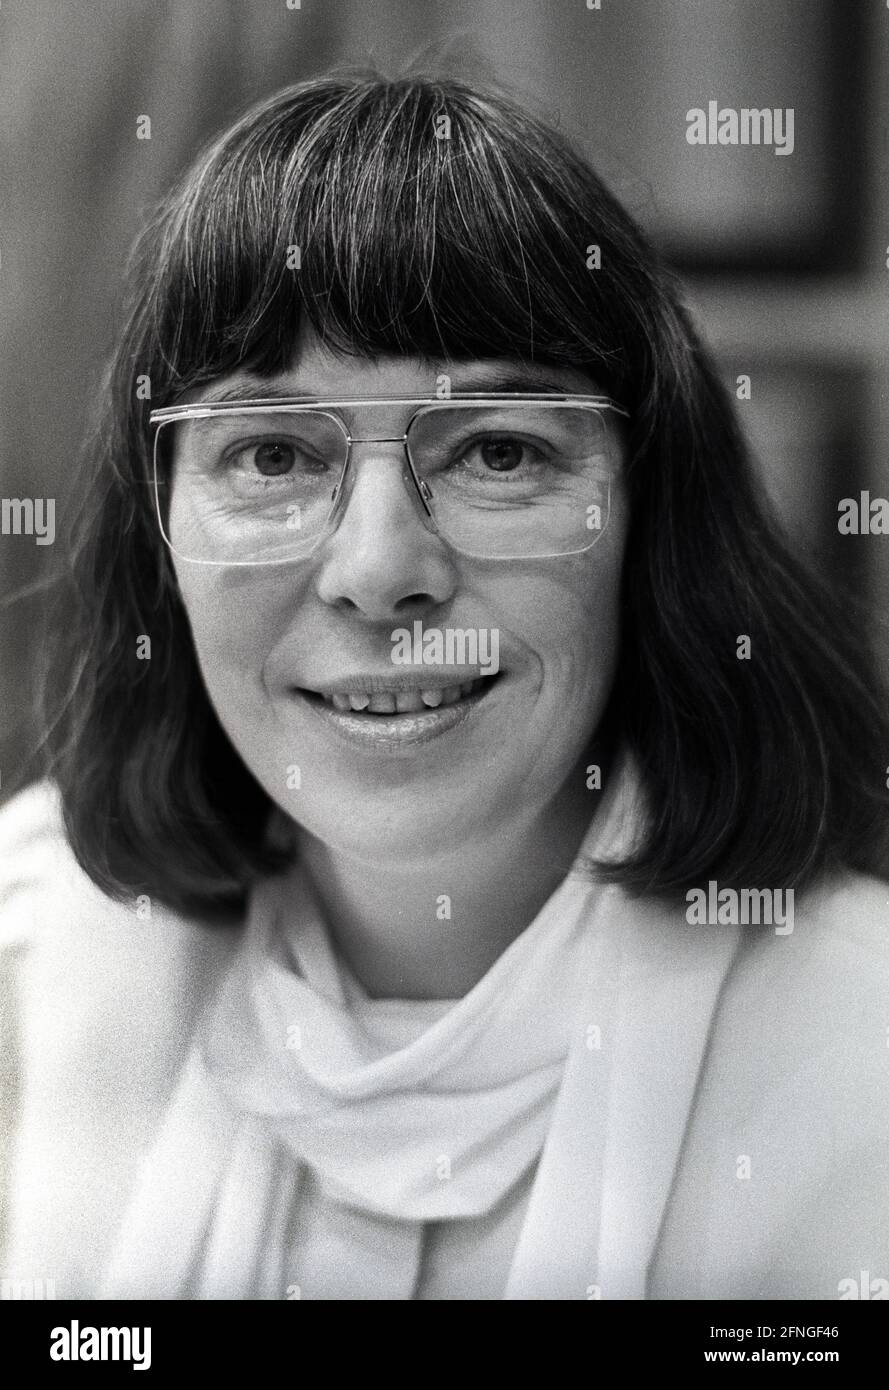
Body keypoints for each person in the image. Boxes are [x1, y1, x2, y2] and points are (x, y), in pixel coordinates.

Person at [1, 69, 888, 1301]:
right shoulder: (33, 965)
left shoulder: (861, 1056)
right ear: (159, 536)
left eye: (497, 452)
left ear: (652, 516)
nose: (377, 572)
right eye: (272, 454)